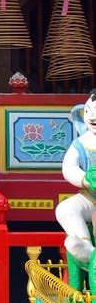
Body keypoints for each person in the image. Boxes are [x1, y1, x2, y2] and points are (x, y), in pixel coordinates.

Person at [56, 90, 96, 263]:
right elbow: (69, 167)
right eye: (88, 111)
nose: (92, 117)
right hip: (89, 197)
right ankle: (86, 247)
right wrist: (85, 178)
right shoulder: (80, 143)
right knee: (66, 209)